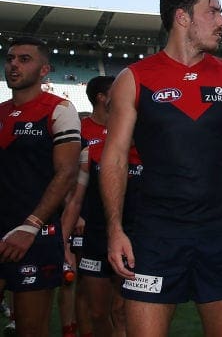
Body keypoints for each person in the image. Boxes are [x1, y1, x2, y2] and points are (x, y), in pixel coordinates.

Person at [99, 0, 222, 336]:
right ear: (183, 17)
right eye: (213, 12)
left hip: (221, 233)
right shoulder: (134, 78)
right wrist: (115, 229)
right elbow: (114, 160)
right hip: (156, 235)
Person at [1, 36, 82, 337]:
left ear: (44, 70)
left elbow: (66, 174)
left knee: (30, 329)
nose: (13, 65)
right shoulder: (0, 112)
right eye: (10, 58)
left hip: (35, 235)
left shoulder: (59, 110)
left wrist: (30, 226)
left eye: (24, 59)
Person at [62, 75, 142, 337]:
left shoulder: (144, 139)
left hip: (135, 232)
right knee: (96, 310)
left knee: (121, 309)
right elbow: (74, 190)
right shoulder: (86, 140)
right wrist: (67, 236)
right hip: (96, 232)